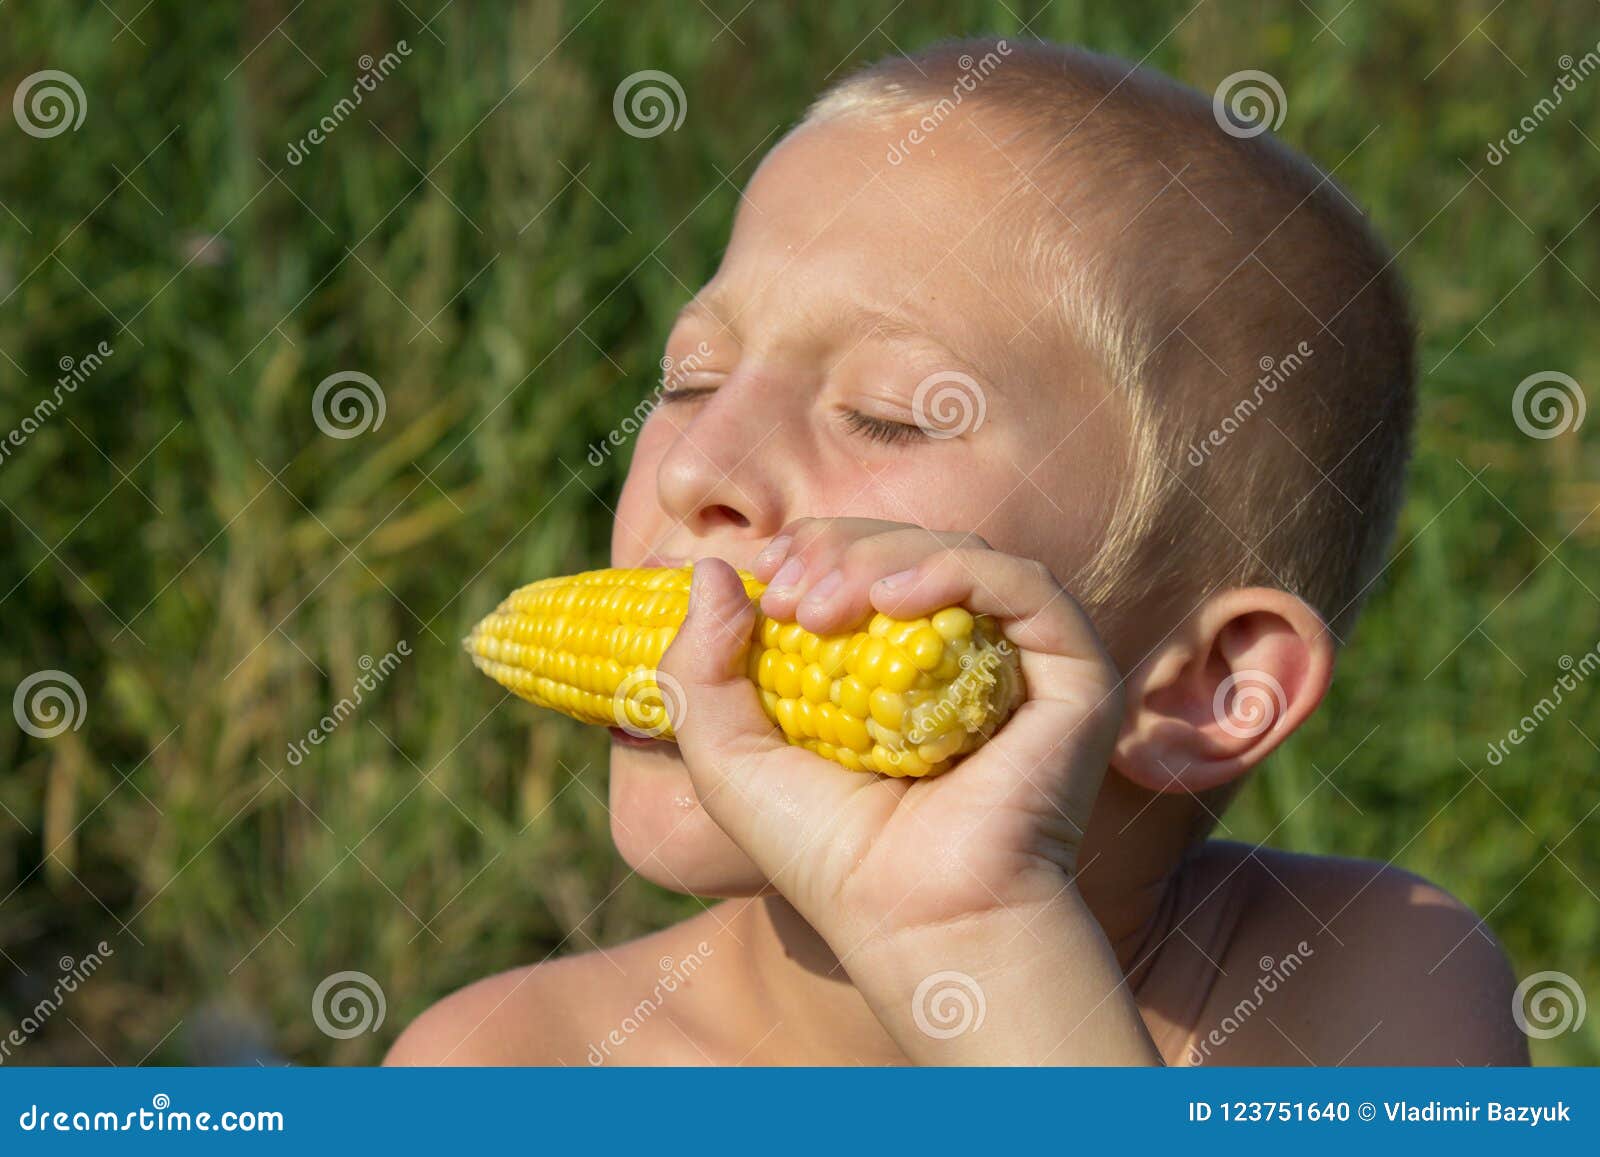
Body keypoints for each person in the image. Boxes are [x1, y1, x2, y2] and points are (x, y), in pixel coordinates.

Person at [388, 39, 1525, 1066]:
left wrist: (975, 942)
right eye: (690, 380)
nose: (698, 469)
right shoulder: (508, 1064)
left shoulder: (1367, 982)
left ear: (1199, 682)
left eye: (887, 412)